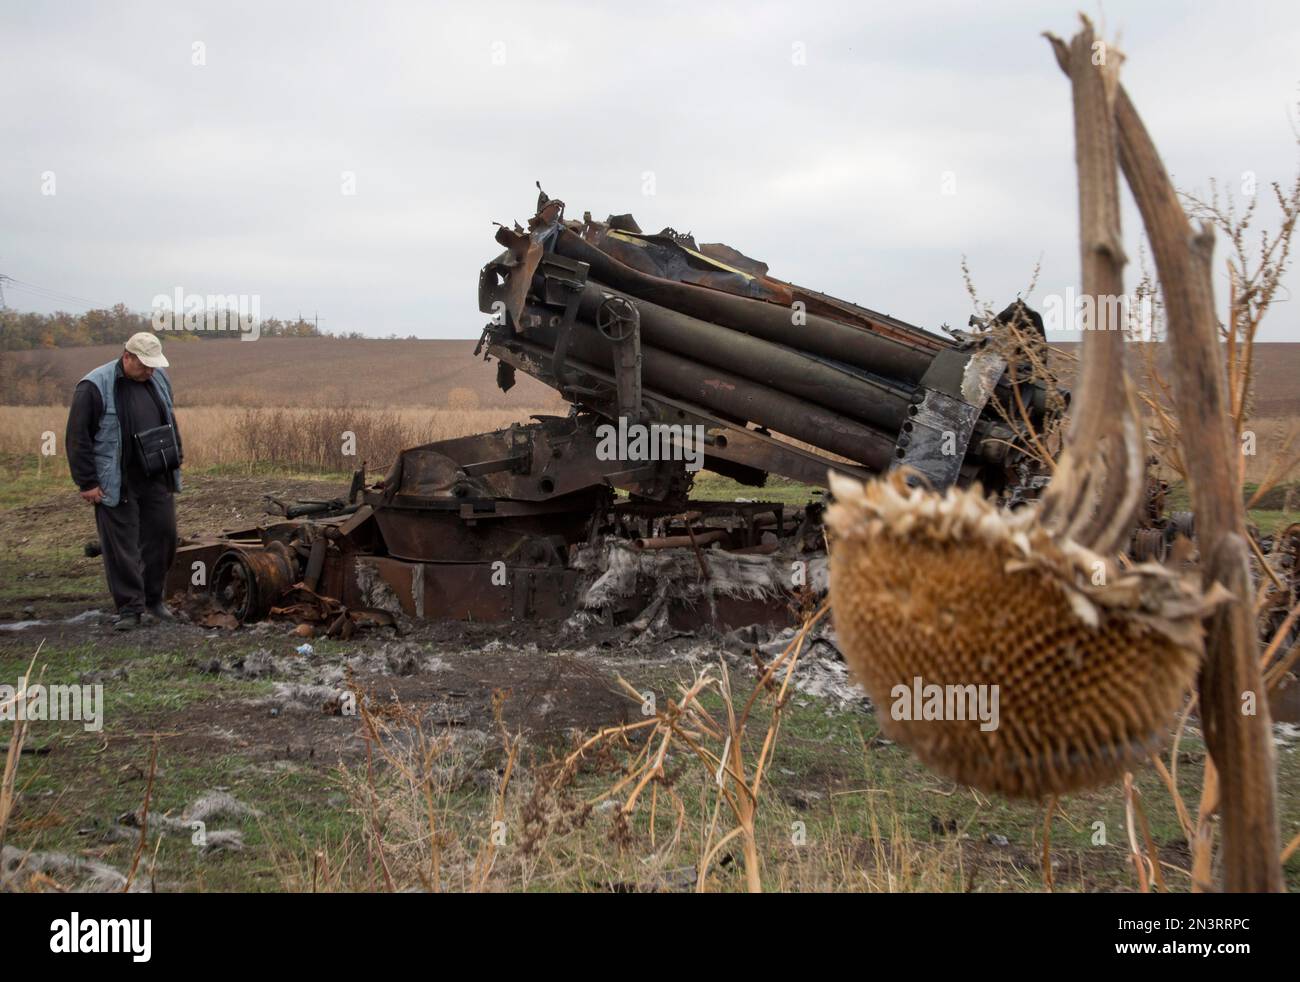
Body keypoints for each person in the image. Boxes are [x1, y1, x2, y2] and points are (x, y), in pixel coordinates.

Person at [65, 333, 183, 631]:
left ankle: (155, 601)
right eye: (145, 366)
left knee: (163, 537)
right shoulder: (94, 386)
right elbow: (77, 438)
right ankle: (130, 609)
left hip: (156, 475)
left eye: (154, 366)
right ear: (127, 357)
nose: (150, 372)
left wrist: (176, 455)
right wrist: (87, 482)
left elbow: (170, 418)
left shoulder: (158, 379)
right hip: (116, 480)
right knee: (122, 547)